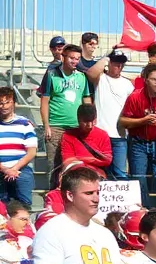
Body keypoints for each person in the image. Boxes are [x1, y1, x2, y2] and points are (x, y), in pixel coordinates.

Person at [119, 64, 156, 200]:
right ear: (146, 80)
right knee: (139, 179)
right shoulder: (134, 97)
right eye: (155, 79)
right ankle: (144, 207)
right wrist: (143, 121)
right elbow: (123, 121)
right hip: (138, 142)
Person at [39, 44, 92, 182]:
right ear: (63, 57)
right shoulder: (52, 75)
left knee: (75, 165)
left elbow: (86, 99)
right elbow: (44, 101)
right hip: (56, 126)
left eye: (77, 59)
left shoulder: (82, 77)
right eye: (71, 58)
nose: (75, 61)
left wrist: (90, 119)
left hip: (76, 127)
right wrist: (46, 125)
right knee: (54, 166)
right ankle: (54, 192)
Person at [90, 52, 134, 181]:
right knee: (100, 172)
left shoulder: (128, 84)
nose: (119, 66)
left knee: (120, 173)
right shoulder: (101, 79)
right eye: (115, 63)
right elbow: (91, 73)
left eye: (121, 63)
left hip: (120, 136)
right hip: (101, 134)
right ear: (109, 63)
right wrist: (106, 57)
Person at [0, 87, 39, 207]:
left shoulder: (25, 124)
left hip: (21, 168)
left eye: (7, 102)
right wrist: (5, 170)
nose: (4, 106)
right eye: (1, 103)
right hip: (1, 169)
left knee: (23, 204)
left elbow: (31, 152)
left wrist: (14, 168)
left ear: (14, 103)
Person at [58, 104, 113, 177]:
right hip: (76, 174)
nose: (89, 125)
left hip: (97, 174)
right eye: (85, 122)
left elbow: (107, 160)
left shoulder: (103, 135)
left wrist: (80, 159)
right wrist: (93, 160)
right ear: (78, 120)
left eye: (92, 121)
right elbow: (68, 161)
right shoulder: (68, 135)